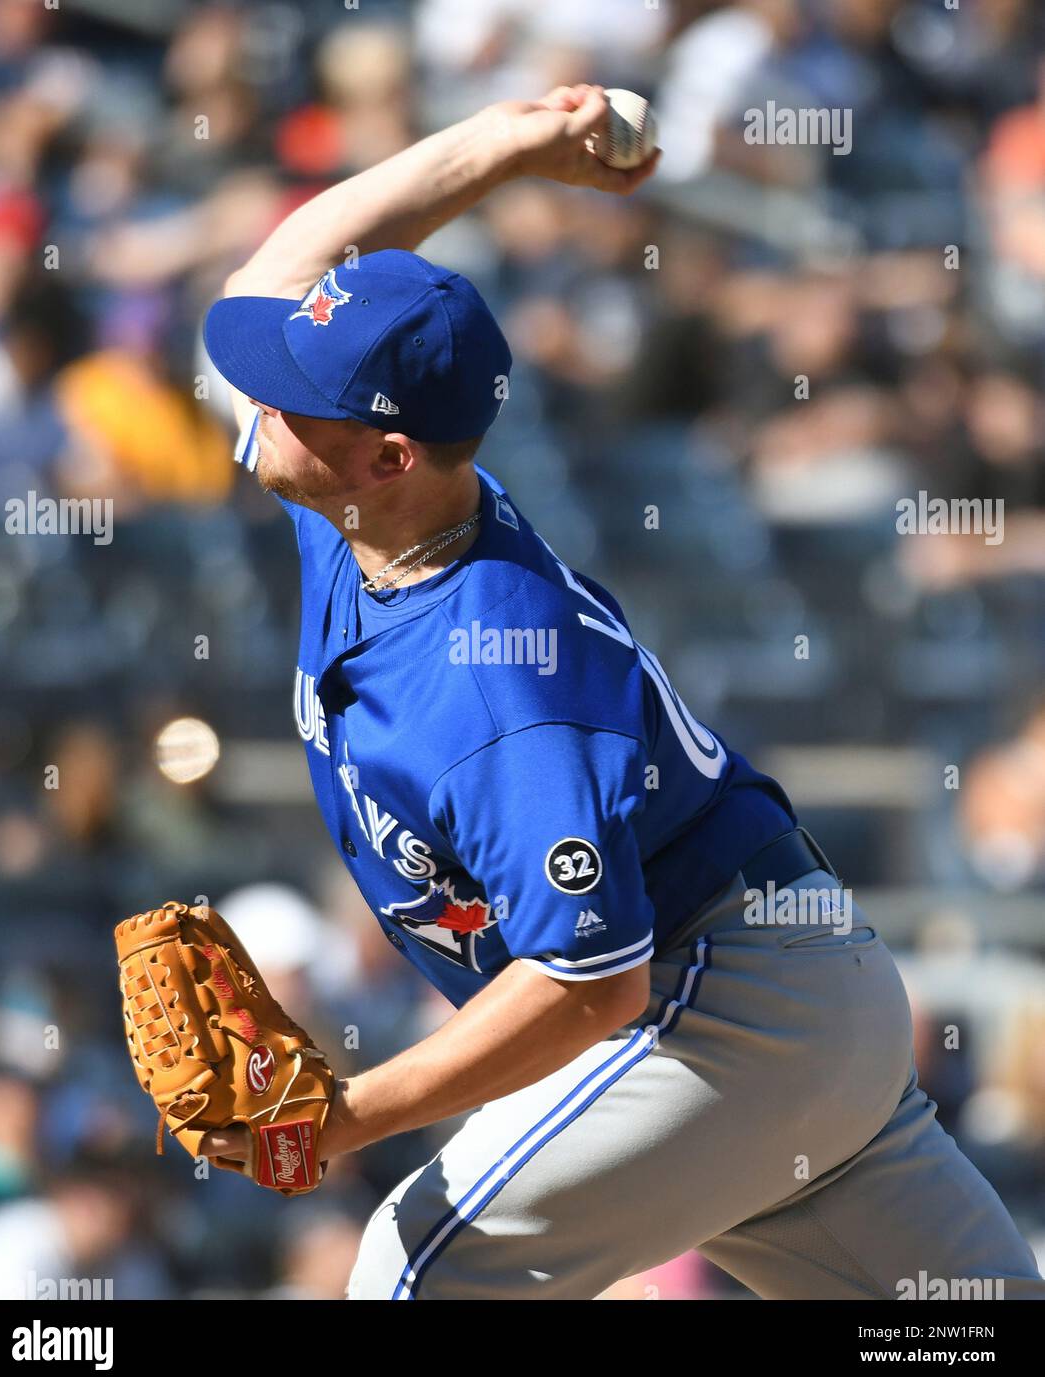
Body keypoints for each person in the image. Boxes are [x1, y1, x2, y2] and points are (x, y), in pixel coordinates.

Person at [200, 85, 1043, 1300]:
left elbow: (592, 979)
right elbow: (293, 262)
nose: (259, 398)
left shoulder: (503, 675)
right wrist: (507, 143)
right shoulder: (355, 508)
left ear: (387, 456)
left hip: (719, 1010)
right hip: (787, 1014)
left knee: (408, 1271)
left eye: (296, 393)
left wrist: (344, 1115)